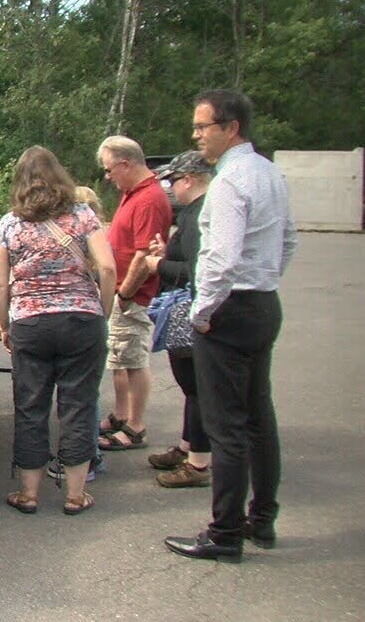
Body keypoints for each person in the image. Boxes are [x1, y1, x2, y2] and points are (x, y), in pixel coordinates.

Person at [164, 89, 298, 561]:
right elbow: (287, 241)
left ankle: (224, 533)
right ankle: (262, 518)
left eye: (203, 126)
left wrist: (202, 313)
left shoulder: (229, 182)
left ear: (231, 128)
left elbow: (220, 258)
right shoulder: (269, 173)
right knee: (259, 417)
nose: (196, 135)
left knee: (226, 427)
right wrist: (264, 281)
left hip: (227, 310)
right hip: (262, 303)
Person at [0, 146, 116, 515]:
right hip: (82, 319)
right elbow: (107, 269)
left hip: (30, 322)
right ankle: (76, 495)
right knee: (78, 405)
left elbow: (0, 286)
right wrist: (102, 312)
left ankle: (28, 494)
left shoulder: (9, 224)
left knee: (30, 406)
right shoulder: (83, 216)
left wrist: (4, 325)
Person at [143, 151, 216, 488]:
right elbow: (185, 256)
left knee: (196, 387)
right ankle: (188, 447)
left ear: (189, 179)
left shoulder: (201, 215)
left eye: (172, 181)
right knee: (189, 386)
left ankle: (199, 464)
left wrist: (159, 266)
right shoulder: (193, 214)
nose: (170, 187)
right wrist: (166, 253)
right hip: (184, 305)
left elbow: (199, 271)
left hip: (190, 306)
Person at [96, 135, 172, 451]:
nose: (107, 176)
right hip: (121, 293)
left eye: (110, 169)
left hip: (131, 296)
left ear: (126, 164)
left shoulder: (149, 199)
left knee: (133, 359)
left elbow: (145, 254)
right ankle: (121, 413)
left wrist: (125, 293)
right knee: (120, 356)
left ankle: (135, 425)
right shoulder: (134, 193)